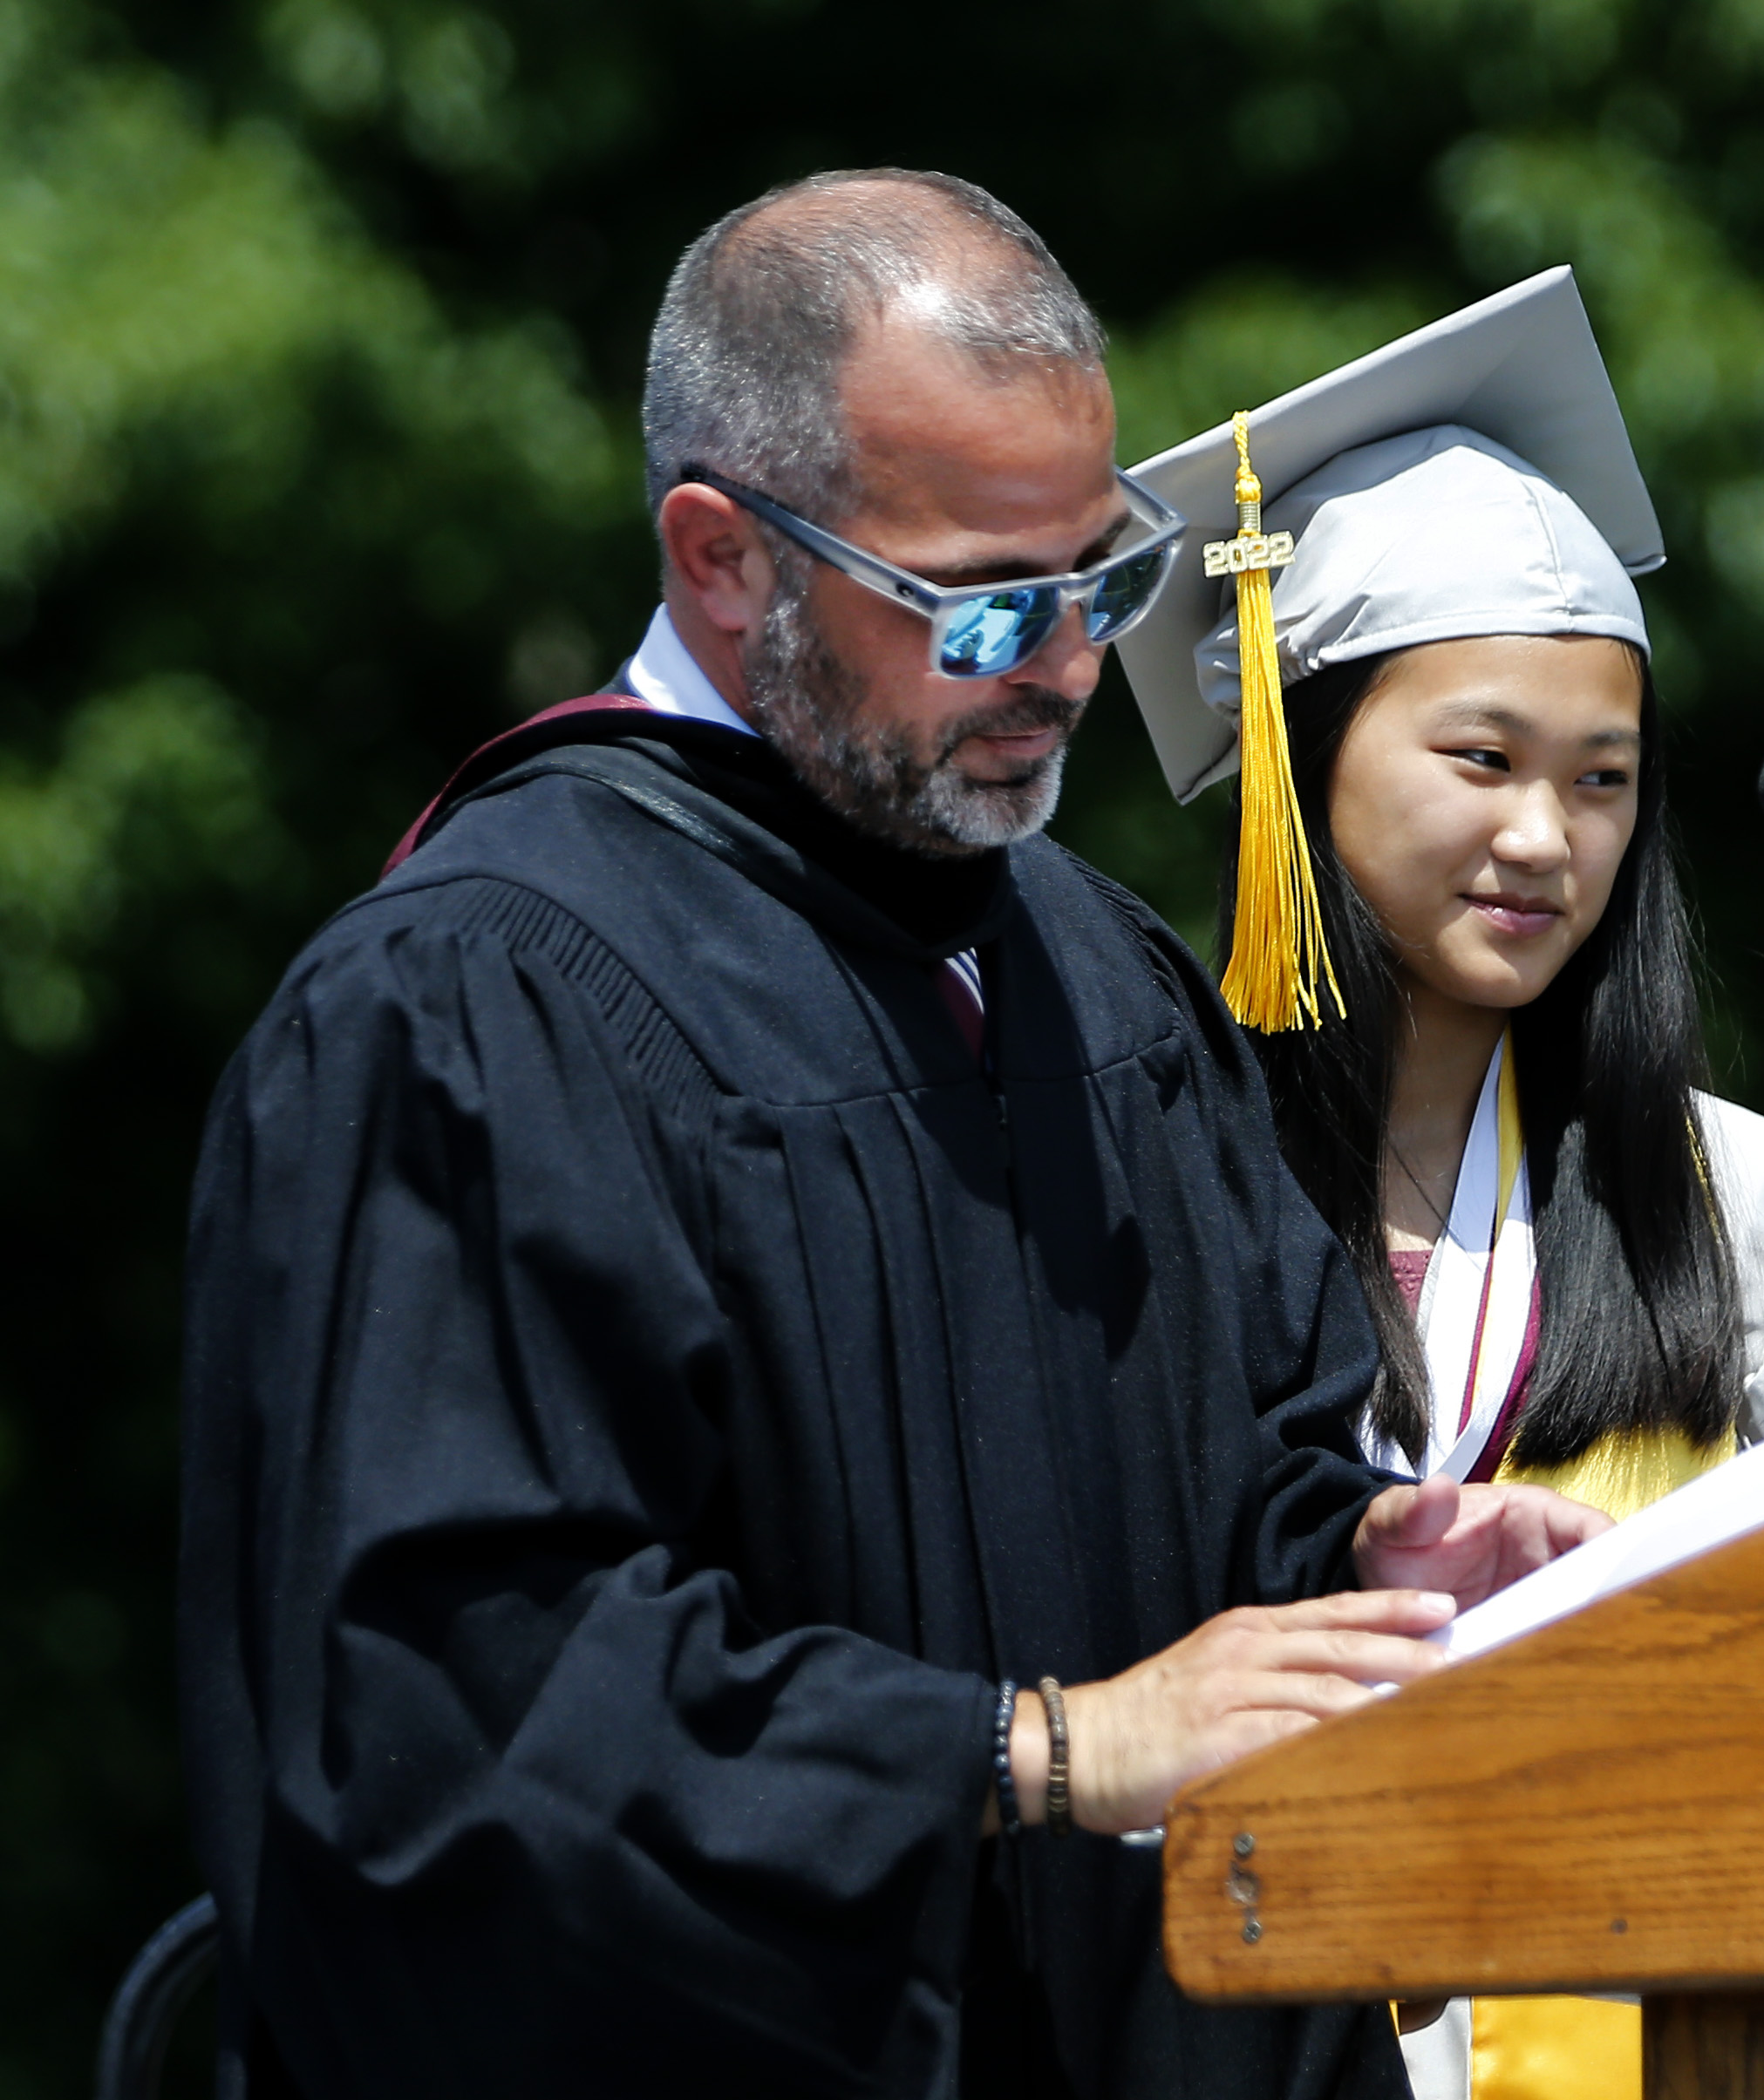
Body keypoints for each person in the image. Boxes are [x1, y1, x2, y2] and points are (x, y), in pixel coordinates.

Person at [176, 170, 1606, 2100]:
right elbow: (455, 1688)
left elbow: (1235, 1446)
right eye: (985, 602)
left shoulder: (1096, 972)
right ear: (722, 558)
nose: (1072, 667)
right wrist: (1029, 1751)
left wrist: (1366, 1554)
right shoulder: (474, 1007)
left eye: (1108, 576)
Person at [1120, 271, 1764, 2100]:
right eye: (1478, 757)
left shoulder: (1755, 1215)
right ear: (1296, 759)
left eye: (1604, 779)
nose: (1548, 837)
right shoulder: (1128, 1203)